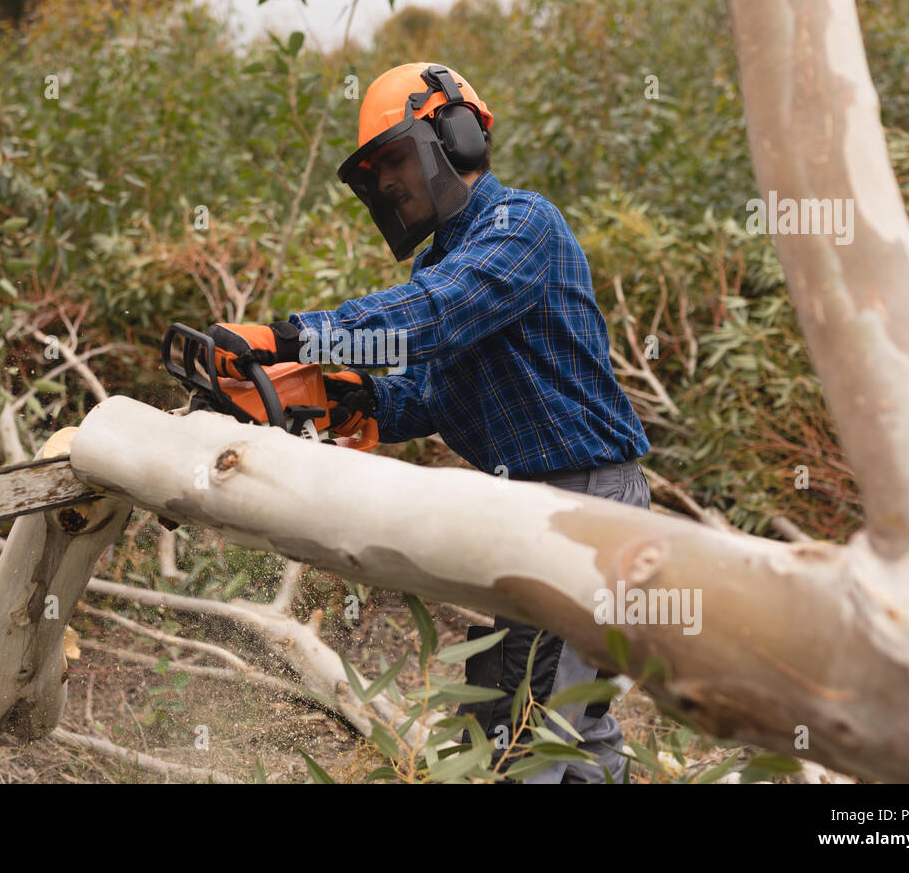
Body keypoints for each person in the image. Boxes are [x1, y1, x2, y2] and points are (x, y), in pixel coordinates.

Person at [203, 62, 651, 783]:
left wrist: (296, 338)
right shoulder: (444, 262)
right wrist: (358, 399)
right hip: (526, 510)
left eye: (396, 160)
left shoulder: (522, 226)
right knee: (518, 712)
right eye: (376, 173)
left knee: (546, 730)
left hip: (590, 505)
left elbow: (436, 316)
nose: (390, 184)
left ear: (460, 135)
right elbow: (429, 393)